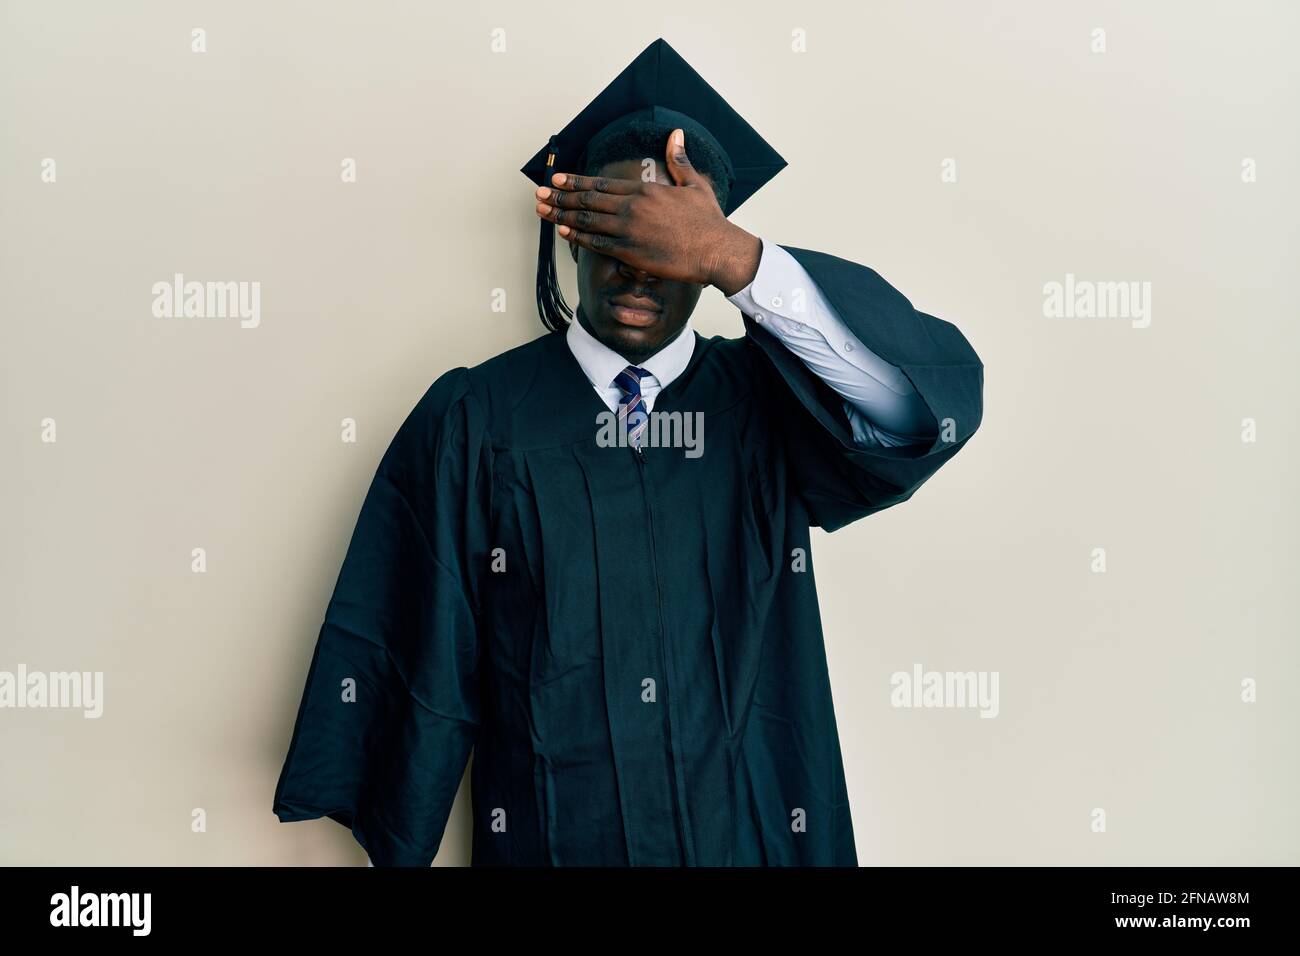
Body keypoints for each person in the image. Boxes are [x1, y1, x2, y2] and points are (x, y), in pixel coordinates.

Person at [272, 38, 983, 866]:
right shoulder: (479, 418)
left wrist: (734, 258)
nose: (637, 271)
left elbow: (909, 416)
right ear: (569, 232)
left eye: (667, 244)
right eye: (614, 229)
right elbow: (418, 641)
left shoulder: (768, 403)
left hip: (753, 841)